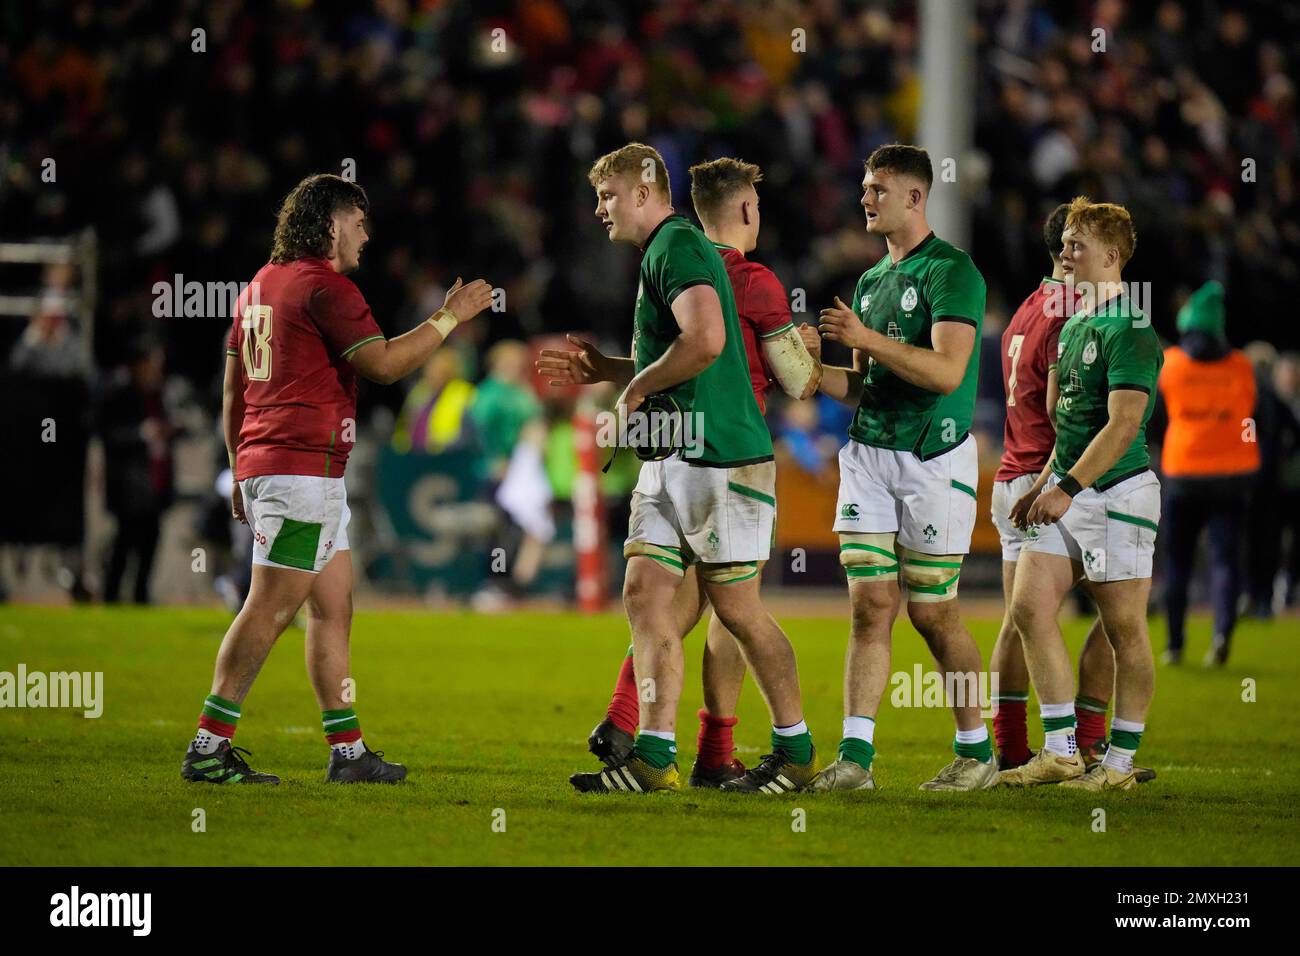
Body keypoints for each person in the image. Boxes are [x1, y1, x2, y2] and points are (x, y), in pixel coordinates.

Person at [181, 173, 493, 785]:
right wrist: (448, 318)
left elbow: (233, 389)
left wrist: (240, 468)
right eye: (358, 222)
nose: (366, 236)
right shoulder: (325, 288)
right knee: (269, 608)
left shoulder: (258, 289)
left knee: (332, 608)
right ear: (329, 225)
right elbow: (383, 366)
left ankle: (347, 754)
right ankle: (207, 746)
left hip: (289, 471)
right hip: (299, 474)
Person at [538, 143, 819, 794]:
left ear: (644, 191)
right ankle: (654, 757)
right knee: (645, 594)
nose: (599, 208)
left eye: (608, 195)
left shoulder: (679, 248)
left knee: (738, 611)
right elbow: (686, 351)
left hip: (720, 455)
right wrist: (615, 370)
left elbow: (707, 342)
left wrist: (631, 389)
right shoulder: (663, 255)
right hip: (671, 452)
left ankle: (797, 750)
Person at [810, 144, 995, 792]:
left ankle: (977, 751)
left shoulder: (954, 272)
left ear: (916, 198)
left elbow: (946, 371)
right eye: (864, 186)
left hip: (933, 457)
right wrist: (808, 370)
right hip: (869, 455)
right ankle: (856, 759)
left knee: (934, 612)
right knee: (869, 605)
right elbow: (864, 386)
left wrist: (865, 340)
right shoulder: (870, 281)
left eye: (878, 188)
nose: (865, 197)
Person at [986, 204, 1152, 780]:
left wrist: (1068, 486)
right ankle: (1060, 751)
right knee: (1030, 610)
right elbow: (1067, 426)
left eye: (1077, 245)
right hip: (1062, 489)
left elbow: (1123, 425)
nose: (1064, 252)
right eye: (1065, 243)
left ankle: (1120, 760)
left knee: (1122, 628)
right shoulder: (1075, 321)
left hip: (1118, 494)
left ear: (1110, 257)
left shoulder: (1130, 326)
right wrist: (1041, 485)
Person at [1154, 281, 1259, 666]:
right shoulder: (1242, 367)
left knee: (1178, 563)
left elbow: (1156, 419)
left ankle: (1174, 644)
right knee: (1225, 561)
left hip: (1182, 473)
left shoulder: (1172, 365)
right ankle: (1220, 638)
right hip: (1232, 477)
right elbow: (1253, 417)